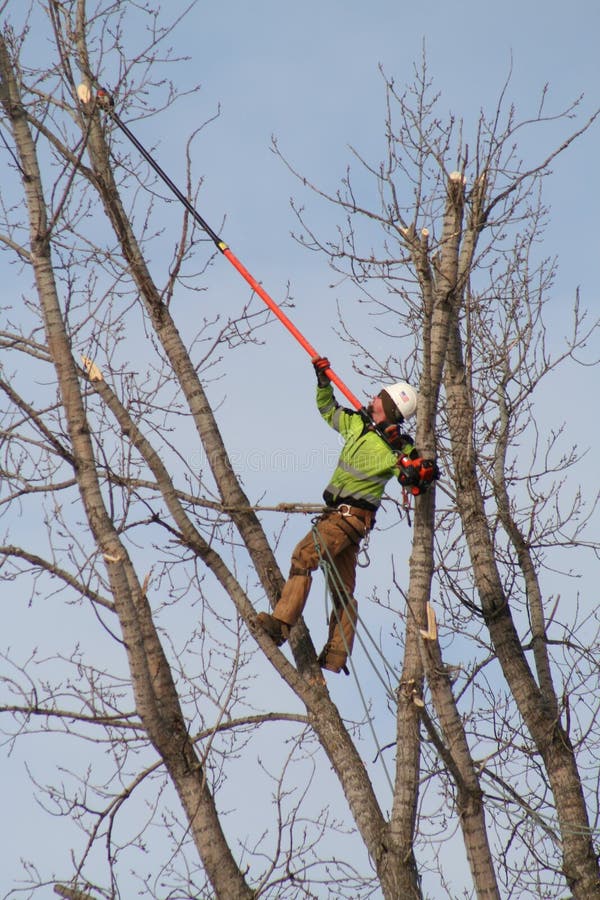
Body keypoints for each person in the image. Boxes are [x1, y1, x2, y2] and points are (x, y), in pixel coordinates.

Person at [257, 356, 428, 675]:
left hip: (348, 519)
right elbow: (328, 411)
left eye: (380, 396)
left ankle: (281, 624)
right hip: (341, 519)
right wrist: (324, 383)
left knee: (303, 555)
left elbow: (418, 473)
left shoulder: (398, 447)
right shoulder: (358, 423)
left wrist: (415, 469)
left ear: (388, 408)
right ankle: (337, 653)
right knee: (341, 589)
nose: (373, 397)